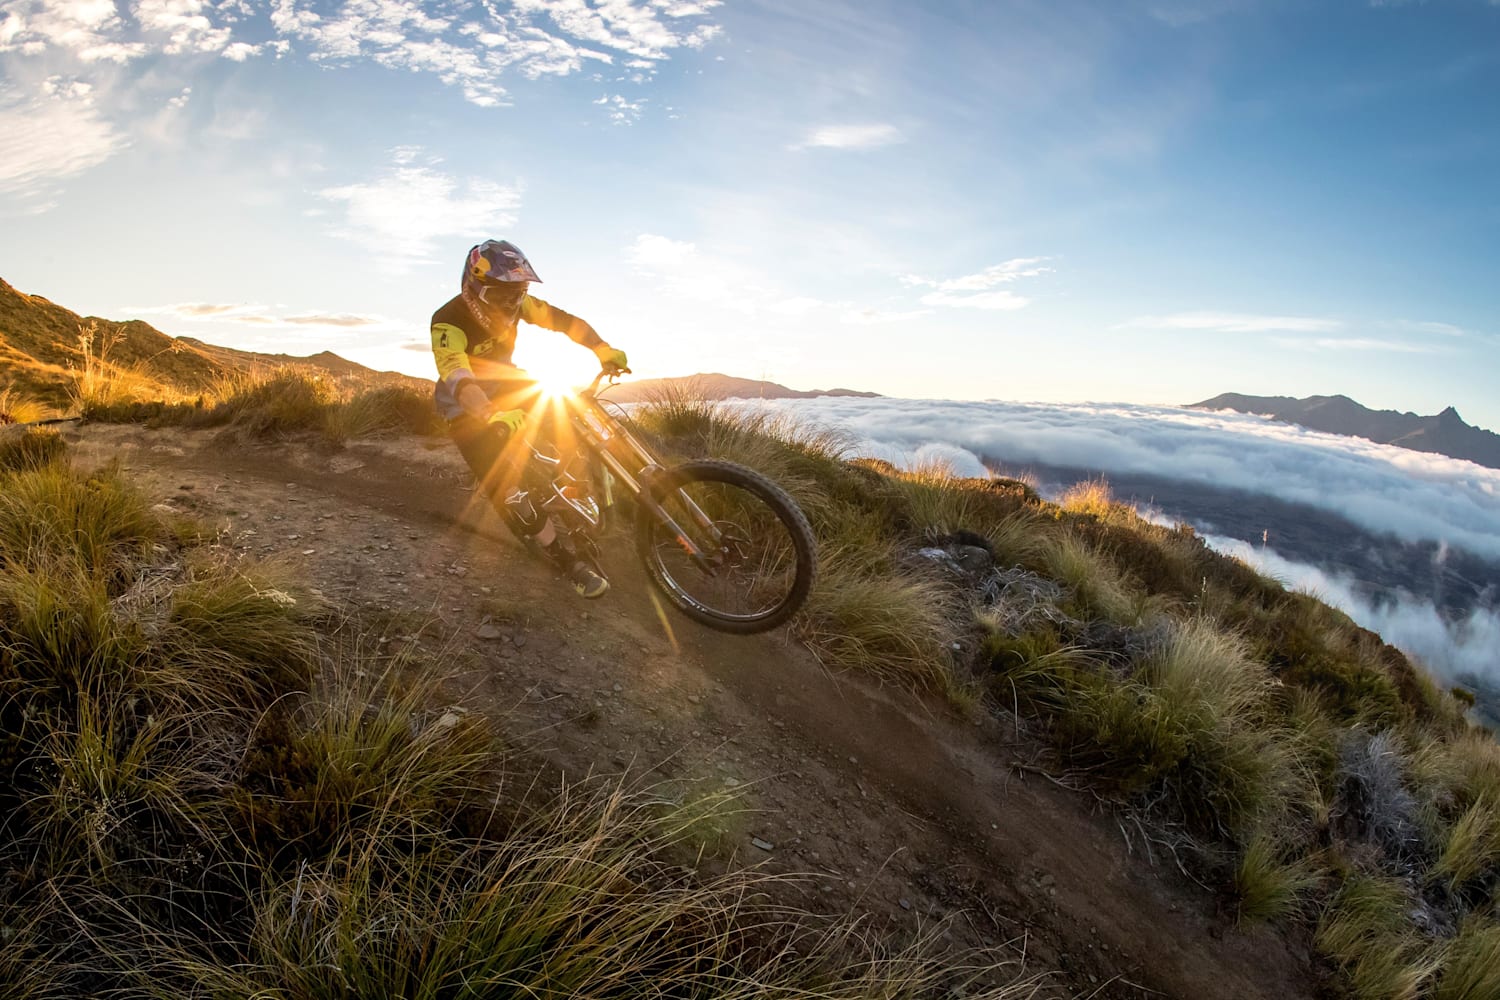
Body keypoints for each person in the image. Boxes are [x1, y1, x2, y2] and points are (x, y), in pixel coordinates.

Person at [430, 239, 629, 598]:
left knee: (569, 413)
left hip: (509, 385)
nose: (511, 304)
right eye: (502, 296)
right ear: (474, 288)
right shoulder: (447, 321)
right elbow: (459, 378)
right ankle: (566, 562)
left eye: (518, 294)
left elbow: (564, 322)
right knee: (510, 489)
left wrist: (601, 347)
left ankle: (571, 486)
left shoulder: (519, 305)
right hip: (466, 410)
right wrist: (491, 415)